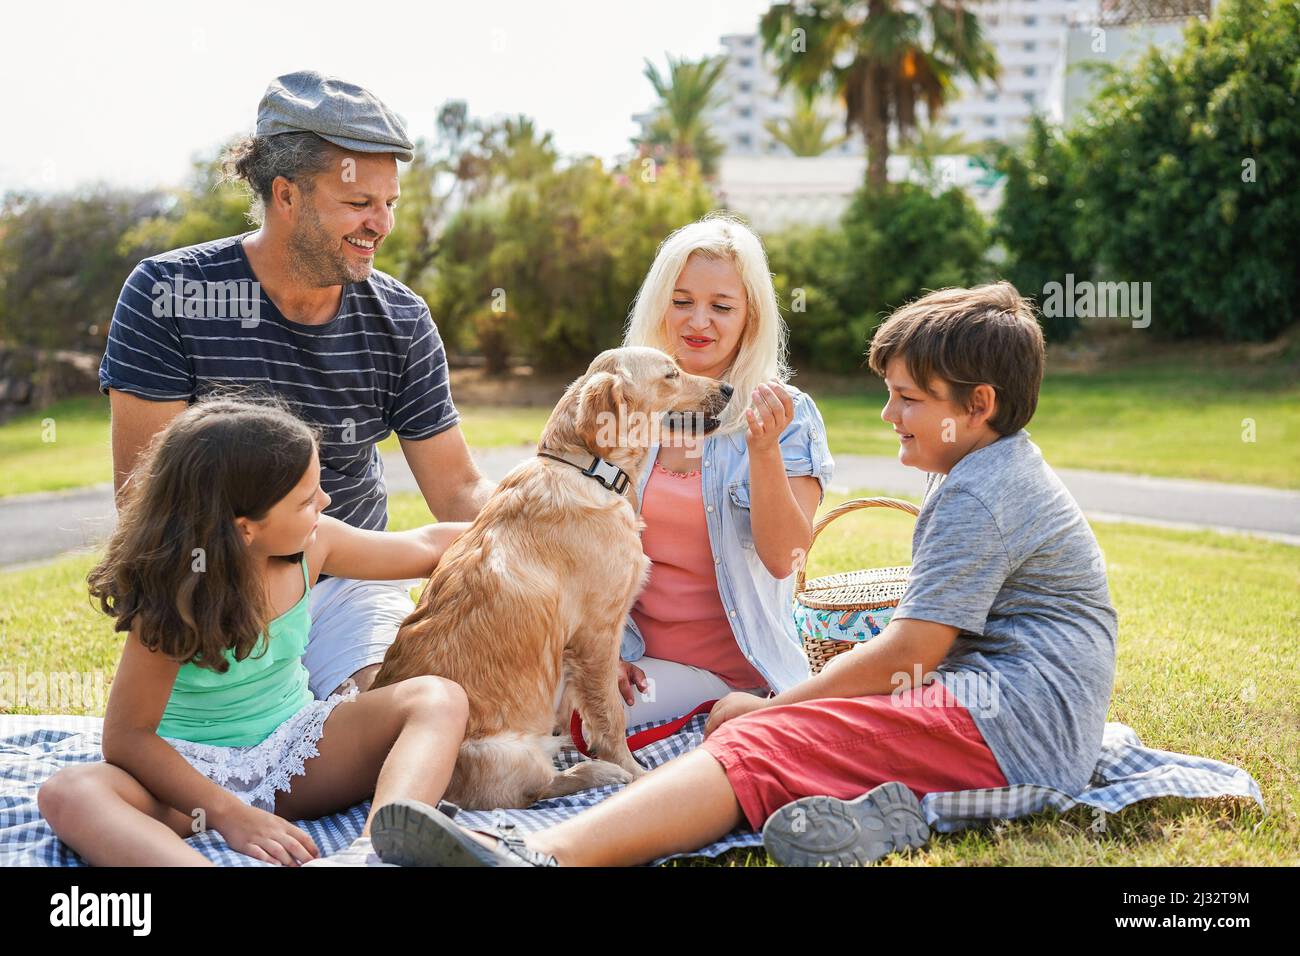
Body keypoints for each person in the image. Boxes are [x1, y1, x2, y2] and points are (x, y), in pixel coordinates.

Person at [365, 281, 1120, 867]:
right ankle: (882, 810)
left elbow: (907, 656)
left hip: (1011, 729)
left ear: (978, 405)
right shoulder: (986, 467)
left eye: (908, 399)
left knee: (750, 741)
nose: (889, 415)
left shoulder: (980, 493)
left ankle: (542, 854)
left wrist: (777, 705)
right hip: (1005, 715)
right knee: (770, 723)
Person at [98, 71, 493, 704]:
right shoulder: (168, 295)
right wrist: (254, 587)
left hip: (351, 583)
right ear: (287, 196)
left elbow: (459, 489)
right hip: (216, 584)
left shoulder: (401, 317)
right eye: (361, 203)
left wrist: (547, 540)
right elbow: (141, 498)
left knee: (387, 719)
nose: (382, 224)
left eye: (390, 203)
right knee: (230, 750)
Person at [37, 398, 473, 866]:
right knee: (69, 792)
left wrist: (527, 517)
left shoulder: (315, 543)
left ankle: (373, 854)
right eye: (307, 499)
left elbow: (425, 545)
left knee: (438, 699)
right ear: (245, 528)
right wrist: (229, 815)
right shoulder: (172, 596)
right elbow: (126, 738)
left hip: (294, 753)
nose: (324, 502)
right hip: (188, 776)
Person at [613, 214, 834, 727]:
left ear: (750, 318)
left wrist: (763, 451)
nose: (698, 322)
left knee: (576, 714)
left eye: (721, 307)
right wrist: (603, 652)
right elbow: (585, 550)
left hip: (731, 674)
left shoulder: (787, 414)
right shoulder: (630, 405)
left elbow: (786, 560)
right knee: (508, 682)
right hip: (631, 659)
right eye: (682, 300)